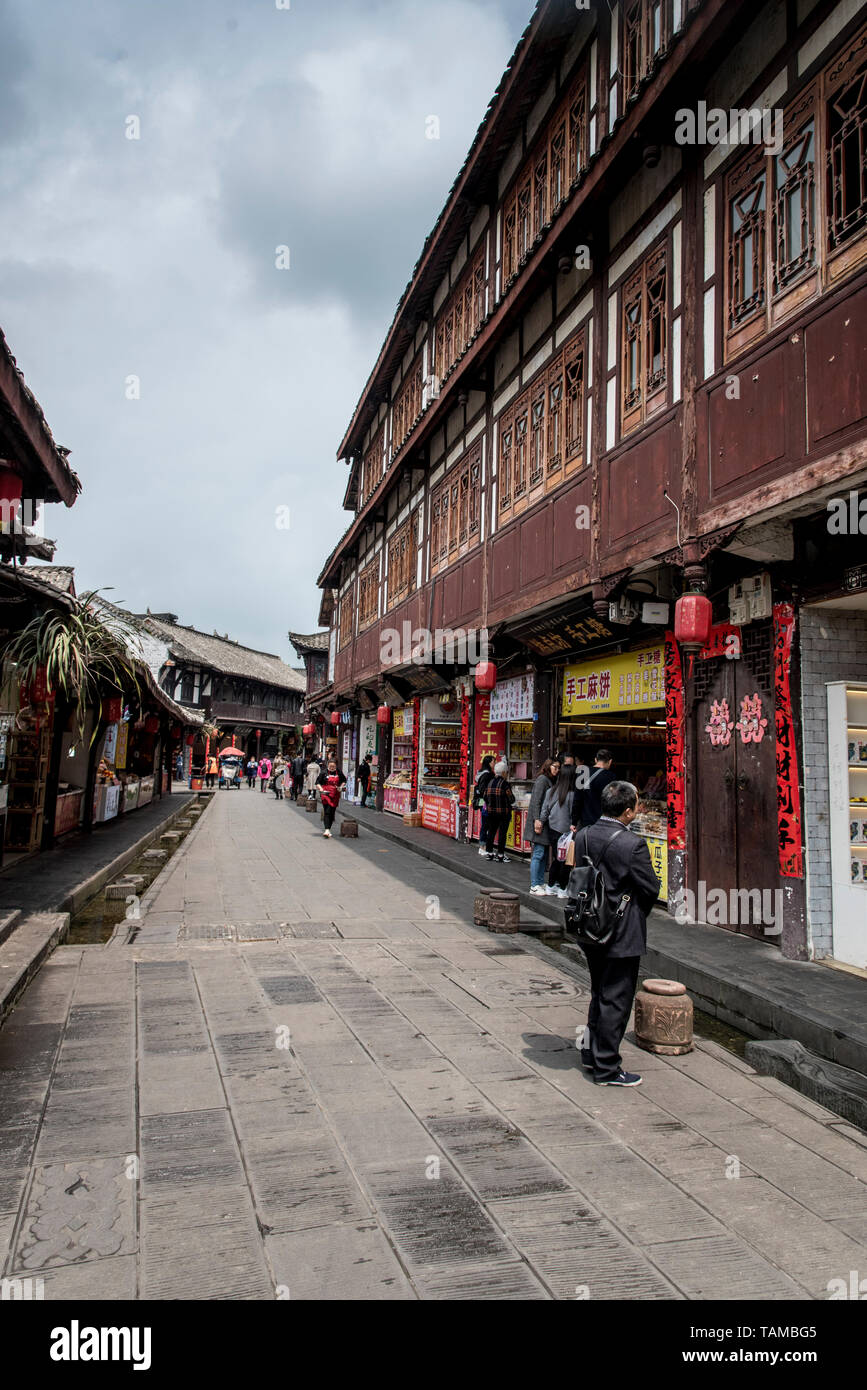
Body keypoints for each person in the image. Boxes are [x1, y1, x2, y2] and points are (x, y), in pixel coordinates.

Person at [574, 780, 660, 1087]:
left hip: (588, 927)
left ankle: (590, 1053)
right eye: (636, 805)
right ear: (627, 811)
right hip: (620, 932)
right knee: (616, 999)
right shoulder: (631, 844)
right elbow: (650, 889)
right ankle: (607, 1068)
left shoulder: (583, 834)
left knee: (599, 991)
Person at [541, 766, 576, 898]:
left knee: (557, 858)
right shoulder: (572, 794)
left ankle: (551, 886)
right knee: (566, 861)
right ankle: (562, 888)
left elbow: (544, 811)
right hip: (567, 832)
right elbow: (574, 814)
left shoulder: (550, 791)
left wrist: (540, 822)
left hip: (552, 830)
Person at [528, 758, 560, 895]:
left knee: (543, 853)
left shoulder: (550, 781)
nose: (557, 770)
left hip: (544, 822)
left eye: (559, 767)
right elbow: (536, 801)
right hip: (540, 822)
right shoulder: (542, 780)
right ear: (548, 766)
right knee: (539, 853)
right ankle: (534, 884)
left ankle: (539, 881)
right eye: (555, 767)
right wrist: (537, 819)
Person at [483, 760, 514, 863]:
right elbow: (511, 799)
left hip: (491, 812)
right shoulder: (505, 784)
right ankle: (500, 855)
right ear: (504, 772)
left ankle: (489, 853)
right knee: (502, 834)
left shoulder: (490, 782)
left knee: (491, 832)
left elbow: (485, 797)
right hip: (504, 813)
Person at [578, 749, 617, 828]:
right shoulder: (611, 776)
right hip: (603, 821)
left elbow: (577, 798)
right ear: (610, 762)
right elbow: (613, 800)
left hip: (585, 819)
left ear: (595, 760)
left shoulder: (583, 772)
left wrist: (574, 821)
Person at [316, 759, 346, 837]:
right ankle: (326, 830)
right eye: (330, 766)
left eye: (334, 766)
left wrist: (341, 787)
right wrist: (321, 789)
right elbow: (317, 782)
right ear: (328, 765)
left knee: (332, 812)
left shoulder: (339, 772)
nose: (332, 768)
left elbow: (344, 780)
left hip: (335, 794)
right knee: (327, 811)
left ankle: (328, 829)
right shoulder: (324, 772)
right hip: (325, 794)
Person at [473, 755, 496, 857]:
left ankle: (484, 847)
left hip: (484, 803)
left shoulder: (481, 773)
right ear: (489, 763)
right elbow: (483, 789)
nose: (494, 764)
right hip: (487, 803)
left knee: (485, 824)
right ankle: (482, 847)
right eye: (493, 762)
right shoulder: (487, 775)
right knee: (486, 825)